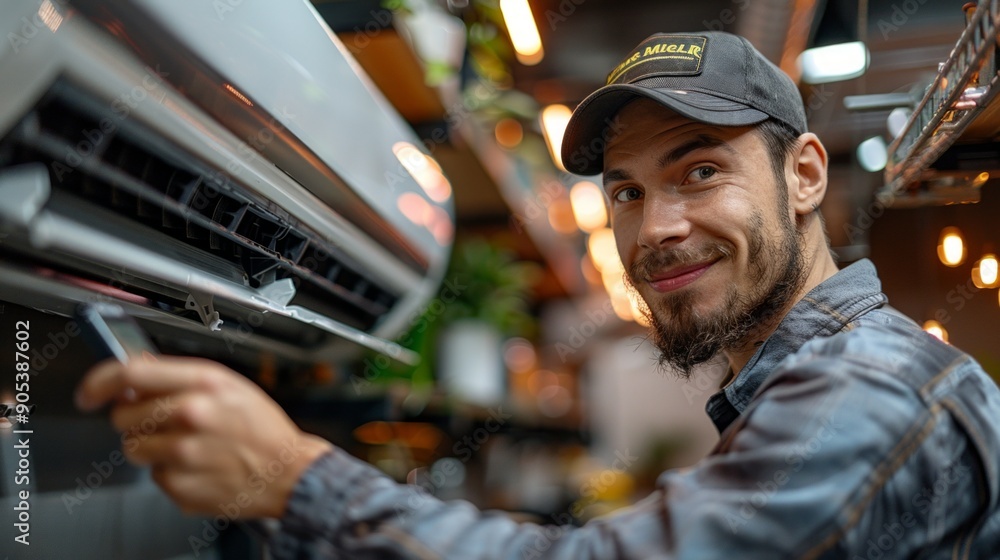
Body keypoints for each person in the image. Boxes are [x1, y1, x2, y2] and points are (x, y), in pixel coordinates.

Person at [76, 30, 1000, 558]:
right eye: (628, 193)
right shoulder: (809, 386)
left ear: (804, 175)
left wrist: (293, 477)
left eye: (700, 171)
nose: (656, 228)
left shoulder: (870, 386)